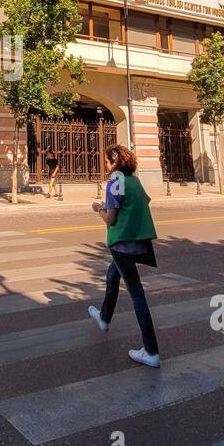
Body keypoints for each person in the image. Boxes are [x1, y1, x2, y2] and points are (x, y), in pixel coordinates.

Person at [89, 144, 161, 367]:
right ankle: (104, 318)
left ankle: (151, 351)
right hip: (138, 241)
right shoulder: (134, 181)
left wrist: (98, 208)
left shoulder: (116, 182)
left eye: (107, 161)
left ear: (114, 163)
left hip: (122, 243)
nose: (105, 165)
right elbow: (146, 200)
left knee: (137, 295)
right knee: (112, 277)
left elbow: (110, 218)